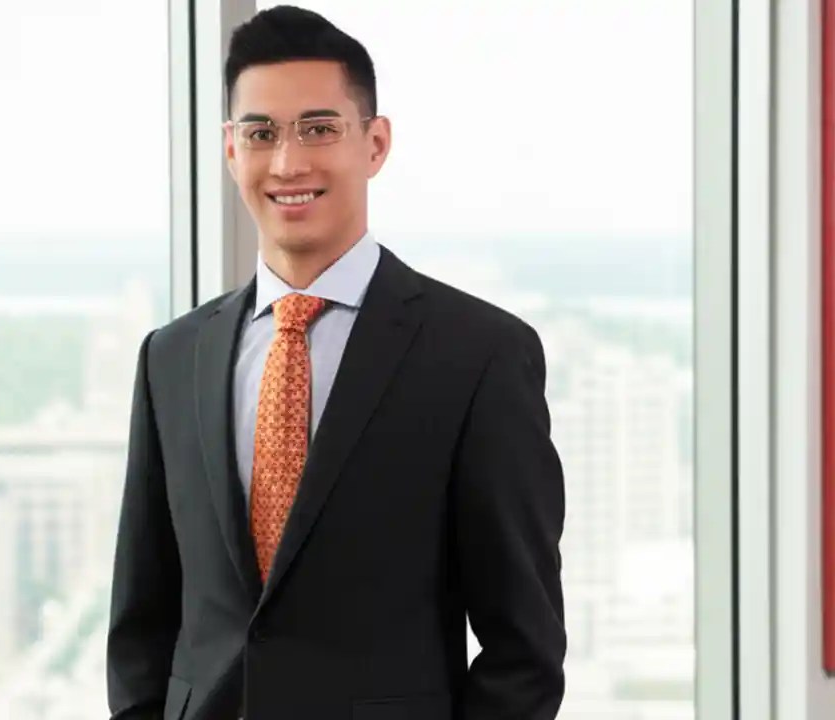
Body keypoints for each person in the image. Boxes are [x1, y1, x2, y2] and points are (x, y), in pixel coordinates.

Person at [106, 6, 565, 719]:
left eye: (319, 129)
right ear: (231, 150)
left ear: (375, 144)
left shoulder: (479, 355)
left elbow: (524, 652)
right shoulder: (171, 357)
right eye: (261, 134)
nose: (288, 163)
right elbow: (142, 626)